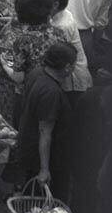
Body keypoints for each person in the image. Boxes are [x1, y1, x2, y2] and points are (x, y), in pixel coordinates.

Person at [16, 41, 77, 199]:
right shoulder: (51, 92)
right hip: (42, 157)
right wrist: (44, 169)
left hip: (29, 148)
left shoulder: (37, 73)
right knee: (42, 202)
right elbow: (45, 132)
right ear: (67, 67)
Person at [41, 0, 92, 92]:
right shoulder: (62, 13)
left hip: (72, 77)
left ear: (55, 5)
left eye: (42, 2)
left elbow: (57, 56)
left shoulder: (63, 26)